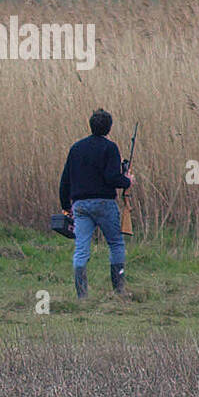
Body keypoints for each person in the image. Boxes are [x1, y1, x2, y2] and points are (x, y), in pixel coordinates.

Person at [58, 109, 133, 298]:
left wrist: (66, 207)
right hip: (104, 204)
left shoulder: (76, 148)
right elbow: (111, 178)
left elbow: (65, 179)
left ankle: (82, 295)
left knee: (81, 249)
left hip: (80, 206)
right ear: (109, 128)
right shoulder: (110, 148)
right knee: (116, 244)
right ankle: (119, 290)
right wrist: (128, 181)